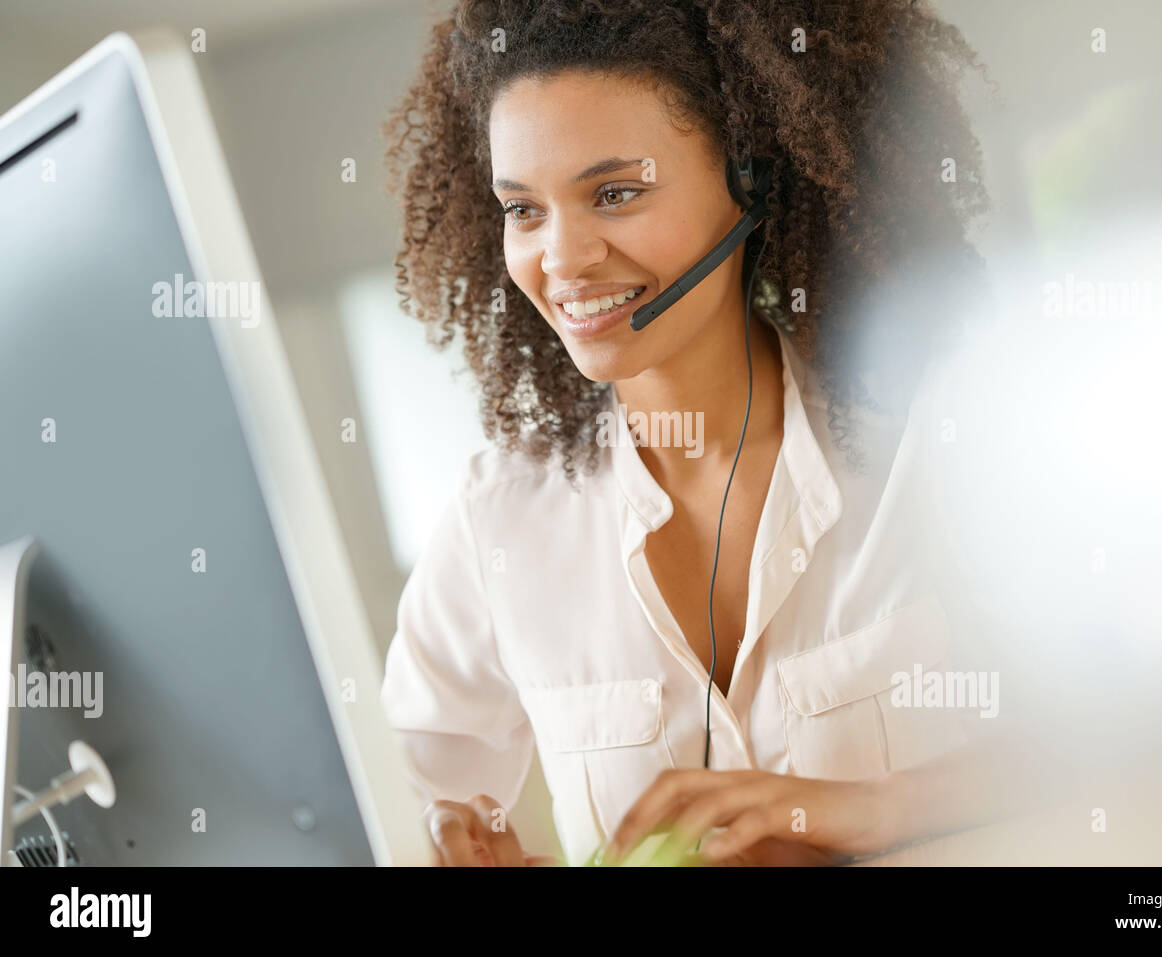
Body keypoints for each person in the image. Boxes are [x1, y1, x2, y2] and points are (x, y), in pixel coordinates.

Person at [378, 0, 998, 866]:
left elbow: (1129, 735)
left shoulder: (939, 435)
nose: (562, 258)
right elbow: (404, 798)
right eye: (524, 210)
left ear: (753, 176)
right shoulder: (501, 525)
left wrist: (875, 809)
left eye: (616, 193)